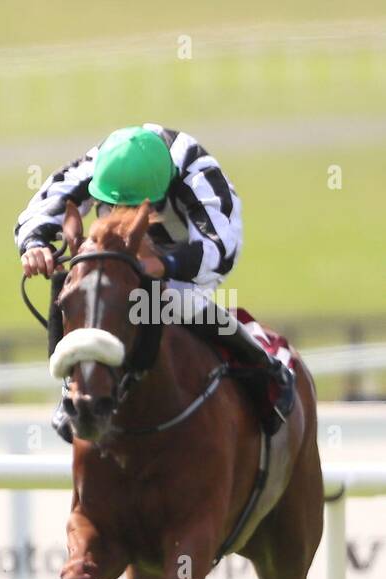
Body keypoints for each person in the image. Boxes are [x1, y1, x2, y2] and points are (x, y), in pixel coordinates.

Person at [15, 124, 294, 441]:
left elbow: (221, 248)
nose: (124, 213)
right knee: (70, 285)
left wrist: (162, 264)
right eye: (117, 204)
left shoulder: (199, 175)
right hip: (121, 254)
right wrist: (34, 245)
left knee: (172, 301)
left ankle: (264, 368)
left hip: (186, 257)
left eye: (134, 206)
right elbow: (46, 203)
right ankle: (70, 389)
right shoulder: (104, 163)